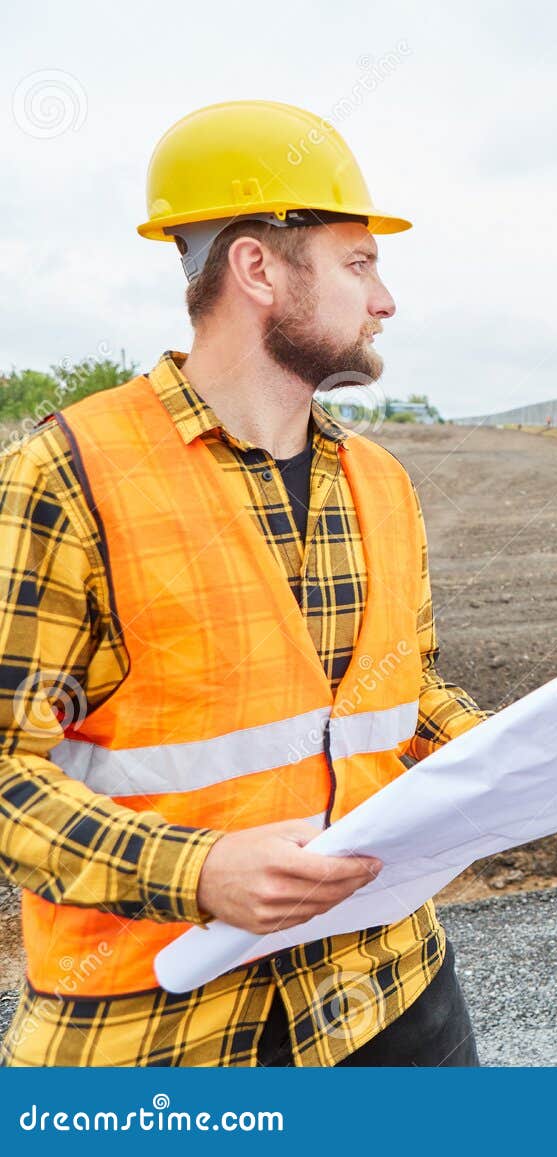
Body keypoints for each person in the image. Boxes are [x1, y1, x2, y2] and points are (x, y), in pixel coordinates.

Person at [0, 100, 489, 1066]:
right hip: (163, 1027)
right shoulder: (68, 474)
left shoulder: (381, 483)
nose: (385, 300)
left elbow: (405, 693)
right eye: (360, 264)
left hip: (389, 989)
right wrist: (199, 870)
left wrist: (517, 761)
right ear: (258, 268)